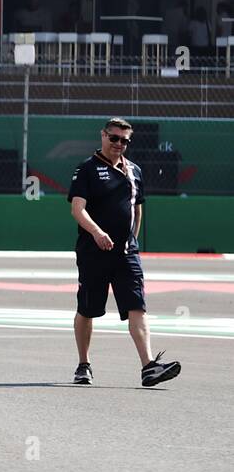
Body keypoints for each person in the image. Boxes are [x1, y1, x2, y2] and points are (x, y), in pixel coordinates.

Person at [68, 118, 181, 387]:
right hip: (93, 253)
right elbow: (77, 209)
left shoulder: (135, 171)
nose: (119, 144)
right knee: (87, 308)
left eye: (125, 140)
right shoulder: (87, 169)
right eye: (114, 138)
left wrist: (132, 239)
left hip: (126, 253)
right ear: (103, 136)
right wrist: (96, 232)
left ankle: (148, 366)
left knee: (137, 306)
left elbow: (137, 208)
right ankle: (83, 364)